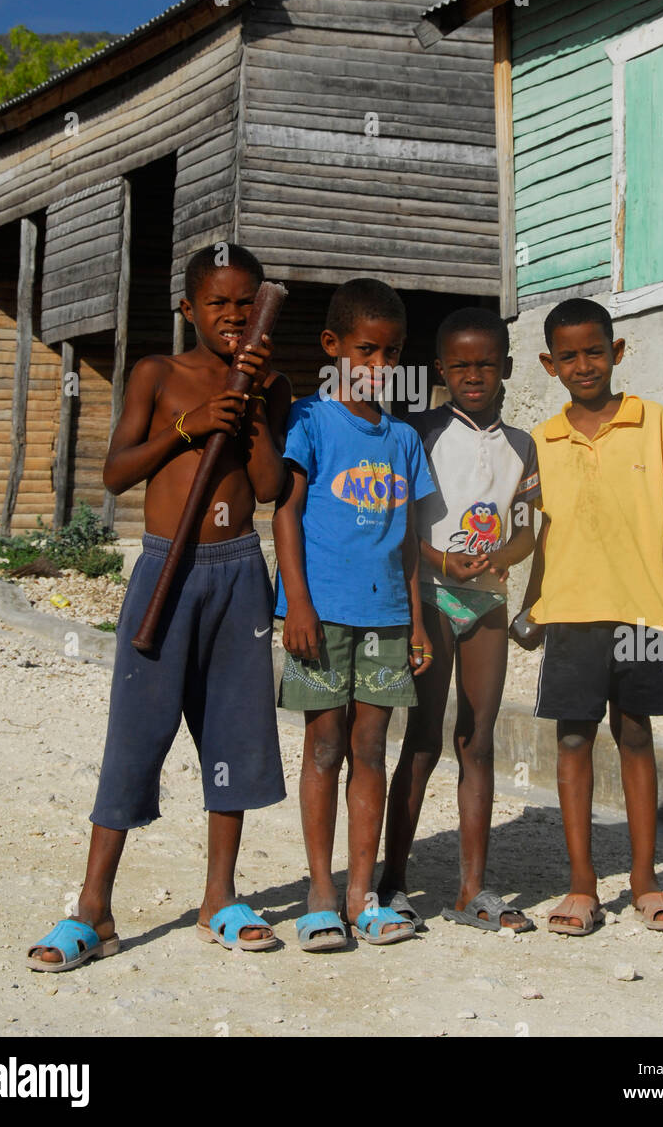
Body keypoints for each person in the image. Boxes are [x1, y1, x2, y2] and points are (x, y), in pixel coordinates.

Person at [27, 243, 290, 969]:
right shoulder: (157, 374)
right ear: (188, 310)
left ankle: (220, 898)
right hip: (166, 570)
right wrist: (191, 426)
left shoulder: (271, 384)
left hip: (238, 572)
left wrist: (255, 411)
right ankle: (93, 908)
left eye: (246, 303)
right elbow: (116, 473)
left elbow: (268, 487)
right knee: (136, 736)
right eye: (218, 304)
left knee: (235, 733)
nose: (234, 316)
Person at [518, 297, 663, 935]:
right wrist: (530, 602)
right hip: (568, 611)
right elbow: (536, 531)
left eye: (595, 350)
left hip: (640, 611)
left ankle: (646, 881)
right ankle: (582, 885)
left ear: (616, 352)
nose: (584, 364)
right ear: (549, 363)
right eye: (569, 355)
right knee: (571, 738)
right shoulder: (541, 441)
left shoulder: (652, 422)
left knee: (637, 733)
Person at [273, 278, 436, 951]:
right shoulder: (309, 422)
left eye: (392, 353)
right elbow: (284, 513)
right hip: (322, 616)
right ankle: (319, 893)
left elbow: (408, 542)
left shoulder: (403, 441)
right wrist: (299, 603)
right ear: (333, 347)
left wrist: (419, 621)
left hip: (388, 620)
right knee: (324, 746)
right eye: (366, 351)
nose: (380, 367)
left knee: (370, 748)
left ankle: (363, 894)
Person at [381, 307, 538, 934]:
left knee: (477, 735)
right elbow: (398, 525)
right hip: (429, 595)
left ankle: (472, 888)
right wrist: (441, 558)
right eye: (460, 365)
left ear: (507, 367)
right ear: (441, 369)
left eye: (487, 364)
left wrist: (495, 558)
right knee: (420, 735)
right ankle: (391, 881)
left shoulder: (523, 446)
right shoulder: (417, 434)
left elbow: (525, 529)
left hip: (487, 601)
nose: (474, 374)